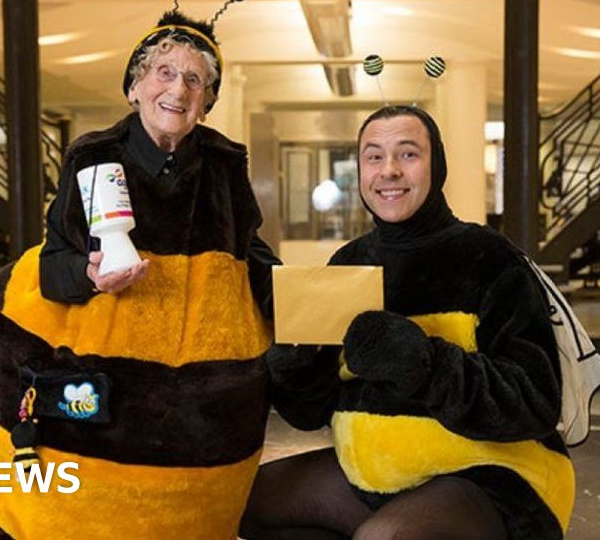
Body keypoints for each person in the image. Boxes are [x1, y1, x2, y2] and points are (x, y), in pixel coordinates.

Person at [0, 0, 280, 540]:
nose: (178, 89)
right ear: (134, 86)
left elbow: (248, 250)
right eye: (164, 72)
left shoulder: (224, 164)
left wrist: (291, 298)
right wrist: (89, 275)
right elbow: (55, 266)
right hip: (109, 369)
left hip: (195, 386)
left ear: (207, 102)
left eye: (195, 80)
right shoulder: (94, 157)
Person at [240, 105, 574, 540]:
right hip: (378, 472)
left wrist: (425, 365)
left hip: (490, 473)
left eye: (408, 154)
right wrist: (294, 365)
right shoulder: (349, 262)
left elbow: (535, 402)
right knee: (238, 499)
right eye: (374, 156)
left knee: (386, 537)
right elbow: (313, 412)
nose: (390, 170)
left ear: (437, 165)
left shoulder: (490, 257)